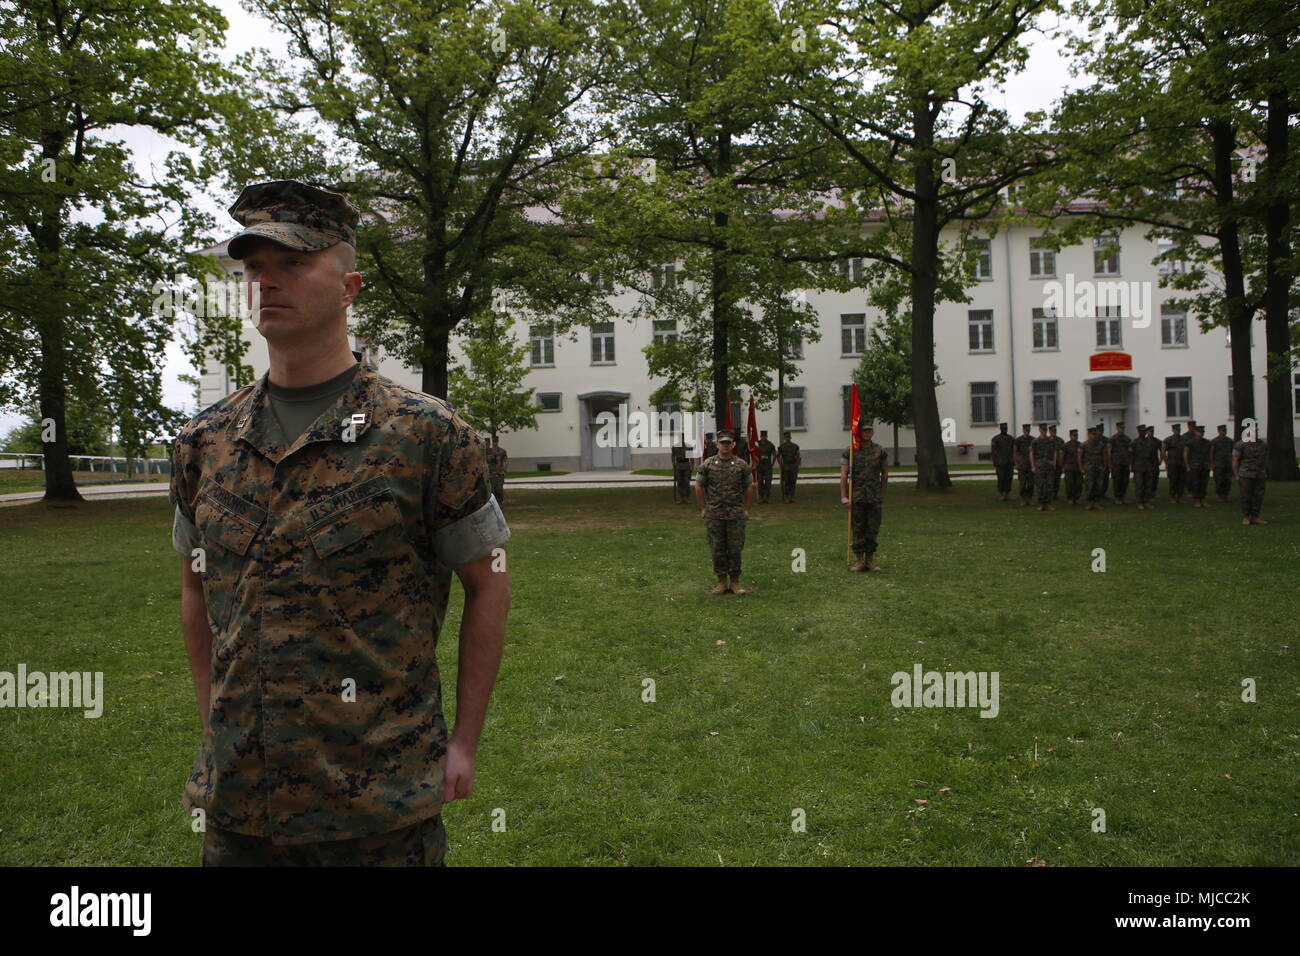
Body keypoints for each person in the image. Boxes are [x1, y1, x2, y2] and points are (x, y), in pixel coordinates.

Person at [169, 180, 511, 866]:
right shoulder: (205, 441)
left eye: (292, 263)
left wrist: (464, 742)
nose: (267, 281)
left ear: (350, 286)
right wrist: (215, 728)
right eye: (254, 267)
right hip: (241, 808)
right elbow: (194, 587)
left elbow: (489, 582)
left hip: (378, 808)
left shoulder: (426, 434)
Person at [695, 430, 753, 593]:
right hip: (715, 514)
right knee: (717, 548)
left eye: (728, 443)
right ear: (717, 444)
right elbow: (699, 486)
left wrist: (746, 509)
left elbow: (749, 487)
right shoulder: (708, 464)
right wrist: (702, 508)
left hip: (735, 514)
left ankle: (734, 582)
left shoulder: (741, 465)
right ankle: (721, 582)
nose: (725, 445)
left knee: (735, 549)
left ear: (733, 445)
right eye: (722, 443)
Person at [840, 420, 889, 571]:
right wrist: (844, 497)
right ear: (859, 433)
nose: (867, 434)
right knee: (858, 528)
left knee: (872, 529)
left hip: (874, 497)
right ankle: (860, 561)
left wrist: (882, 494)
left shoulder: (880, 451)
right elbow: (843, 475)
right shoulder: (850, 451)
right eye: (864, 431)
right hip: (857, 497)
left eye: (869, 431)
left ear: (872, 432)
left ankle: (870, 561)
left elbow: (885, 474)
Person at [1233, 431, 1269, 525]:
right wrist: (1236, 474)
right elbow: (1235, 460)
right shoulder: (1240, 444)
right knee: (1246, 495)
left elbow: (1265, 459)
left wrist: (1265, 471)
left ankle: (1255, 516)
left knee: (1258, 496)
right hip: (1246, 474)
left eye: (1256, 431)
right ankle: (1246, 516)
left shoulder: (1262, 444)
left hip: (1259, 474)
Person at [1131, 424, 1160, 510]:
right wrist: (1132, 467)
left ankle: (1146, 501)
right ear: (1138, 432)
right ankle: (1140, 502)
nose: (1144, 432)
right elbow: (1131, 456)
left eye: (1145, 431)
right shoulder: (1134, 442)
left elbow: (1152, 455)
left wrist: (1153, 465)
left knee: (1148, 484)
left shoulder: (1150, 442)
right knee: (1139, 485)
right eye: (1142, 431)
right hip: (1138, 466)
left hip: (1148, 466)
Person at [1183, 424, 1212, 507]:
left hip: (1204, 466)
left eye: (1202, 432)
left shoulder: (1207, 442)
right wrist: (1187, 466)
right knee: (1195, 483)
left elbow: (1209, 454)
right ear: (1195, 432)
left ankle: (1203, 499)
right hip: (1194, 466)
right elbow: (1185, 454)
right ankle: (1197, 500)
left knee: (1204, 483)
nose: (1201, 434)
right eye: (1199, 432)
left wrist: (1210, 464)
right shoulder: (1190, 442)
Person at [1031, 423, 1057, 512]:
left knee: (1049, 485)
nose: (1044, 431)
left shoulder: (1051, 440)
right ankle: (1042, 504)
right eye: (1043, 429)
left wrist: (1054, 462)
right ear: (1039, 430)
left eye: (1045, 429)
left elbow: (1054, 452)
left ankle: (1048, 504)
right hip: (1039, 466)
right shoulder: (1035, 441)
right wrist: (1033, 466)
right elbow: (1032, 454)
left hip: (1049, 465)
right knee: (1040, 485)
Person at [1081, 426, 1106, 510]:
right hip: (1089, 468)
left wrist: (1104, 466)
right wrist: (1082, 468)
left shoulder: (1101, 444)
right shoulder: (1084, 445)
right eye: (1093, 434)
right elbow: (1080, 457)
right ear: (1088, 435)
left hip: (1099, 467)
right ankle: (1090, 502)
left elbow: (1104, 455)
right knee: (1090, 486)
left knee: (1098, 486)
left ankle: (1097, 502)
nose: (1094, 436)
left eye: (1095, 434)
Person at [1108, 422, 1132, 504]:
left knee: (1125, 481)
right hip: (1116, 463)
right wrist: (1110, 464)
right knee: (1117, 481)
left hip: (1125, 463)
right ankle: (1117, 497)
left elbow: (1130, 452)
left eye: (1123, 428)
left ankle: (1123, 497)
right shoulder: (1112, 439)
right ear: (1117, 428)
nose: (1122, 429)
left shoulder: (1127, 439)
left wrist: (1130, 462)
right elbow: (1109, 452)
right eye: (1120, 428)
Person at [990, 422, 1015, 501]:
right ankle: (1001, 493)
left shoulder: (1011, 438)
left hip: (1009, 462)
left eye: (1006, 428)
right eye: (1003, 428)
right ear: (1000, 429)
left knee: (1009, 478)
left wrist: (1014, 459)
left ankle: (1007, 493)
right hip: (1000, 462)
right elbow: (993, 451)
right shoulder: (995, 439)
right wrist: (994, 461)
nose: (1005, 429)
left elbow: (1014, 450)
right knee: (1001, 478)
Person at [1210, 424, 1234, 502]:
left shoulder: (1230, 441)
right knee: (1219, 481)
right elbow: (1211, 453)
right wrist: (1212, 464)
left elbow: (1232, 453)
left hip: (1227, 464)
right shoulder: (1214, 441)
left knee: (1228, 481)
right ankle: (1220, 495)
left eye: (1225, 430)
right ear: (1218, 431)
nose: (1224, 432)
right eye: (1222, 430)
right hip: (1218, 464)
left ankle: (1225, 495)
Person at [1162, 423, 1185, 504]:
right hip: (1172, 463)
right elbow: (1163, 452)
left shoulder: (1184, 439)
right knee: (1173, 480)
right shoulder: (1168, 440)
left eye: (1179, 430)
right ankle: (1172, 496)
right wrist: (1166, 462)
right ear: (1173, 430)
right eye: (1176, 429)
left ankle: (1180, 496)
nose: (1178, 431)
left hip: (1182, 463)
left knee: (1181, 480)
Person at [777, 431, 801, 503]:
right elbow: (778, 456)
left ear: (790, 438)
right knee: (786, 482)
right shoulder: (781, 447)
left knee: (793, 481)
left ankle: (791, 497)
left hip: (793, 465)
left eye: (789, 437)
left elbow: (798, 456)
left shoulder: (795, 446)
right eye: (786, 437)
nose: (787, 439)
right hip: (785, 466)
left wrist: (797, 465)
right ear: (784, 438)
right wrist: (780, 464)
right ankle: (786, 497)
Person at [1013, 423, 1034, 507]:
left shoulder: (1033, 440)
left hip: (1030, 464)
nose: (1027, 432)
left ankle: (1029, 499)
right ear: (1023, 430)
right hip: (1022, 464)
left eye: (1028, 430)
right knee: (1022, 484)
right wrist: (1016, 463)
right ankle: (1023, 499)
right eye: (1026, 430)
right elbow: (1015, 452)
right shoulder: (1018, 440)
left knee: (1031, 483)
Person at [1062, 428, 1084, 505]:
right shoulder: (1066, 445)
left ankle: (1077, 498)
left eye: (1076, 435)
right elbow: (1062, 457)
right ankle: (1070, 498)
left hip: (1078, 467)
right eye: (1074, 435)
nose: (1076, 437)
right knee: (1069, 484)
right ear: (1070, 436)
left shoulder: (1081, 445)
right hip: (1069, 467)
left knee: (1079, 484)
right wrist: (1063, 467)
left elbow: (1083, 456)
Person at [755, 430, 777, 504]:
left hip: (768, 466)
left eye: (765, 436)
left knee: (768, 482)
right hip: (760, 466)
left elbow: (774, 455)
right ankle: (761, 497)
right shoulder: (757, 444)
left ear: (767, 437)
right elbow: (753, 453)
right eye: (762, 436)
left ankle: (767, 497)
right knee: (760, 482)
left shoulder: (770, 444)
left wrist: (772, 464)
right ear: (760, 437)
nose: (763, 438)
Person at [670, 436, 693, 504]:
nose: (681, 440)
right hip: (678, 465)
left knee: (686, 481)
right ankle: (681, 498)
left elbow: (691, 457)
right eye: (680, 438)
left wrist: (692, 466)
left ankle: (687, 498)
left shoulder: (688, 447)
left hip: (686, 464)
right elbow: (672, 456)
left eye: (682, 438)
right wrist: (673, 466)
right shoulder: (675, 447)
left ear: (684, 439)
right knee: (679, 482)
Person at [486, 437, 508, 506]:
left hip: (497, 474)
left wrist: (501, 470)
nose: (494, 443)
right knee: (492, 490)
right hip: (489, 474)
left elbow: (502, 461)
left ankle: (499, 502)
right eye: (493, 441)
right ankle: (494, 504)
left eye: (495, 441)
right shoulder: (484, 452)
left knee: (498, 489)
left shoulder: (499, 451)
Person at [1049, 425, 1064, 501]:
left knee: (1057, 480)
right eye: (1053, 431)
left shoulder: (1060, 440)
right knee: (1049, 479)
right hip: (1049, 463)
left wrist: (1061, 463)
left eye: (1055, 431)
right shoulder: (1046, 440)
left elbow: (1062, 452)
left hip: (1058, 463)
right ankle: (1050, 494)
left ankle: (1055, 494)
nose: (1054, 432)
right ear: (1050, 431)